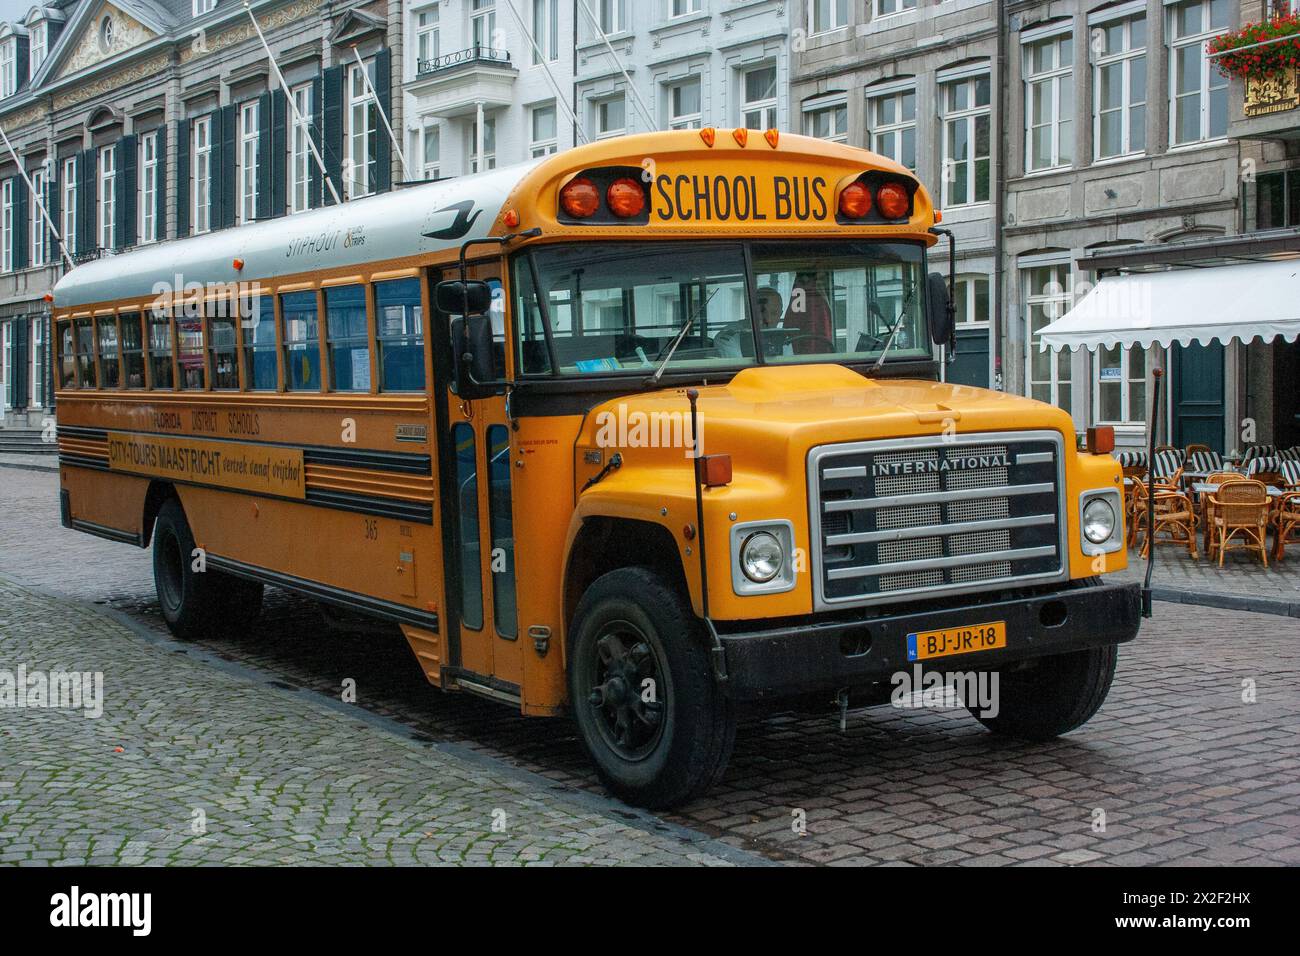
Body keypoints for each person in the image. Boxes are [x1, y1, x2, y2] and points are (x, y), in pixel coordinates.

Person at [713, 287, 785, 358]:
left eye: (774, 313)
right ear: (751, 312)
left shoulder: (785, 338)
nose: (768, 320)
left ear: (780, 314)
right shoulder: (730, 339)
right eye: (762, 312)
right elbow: (741, 368)